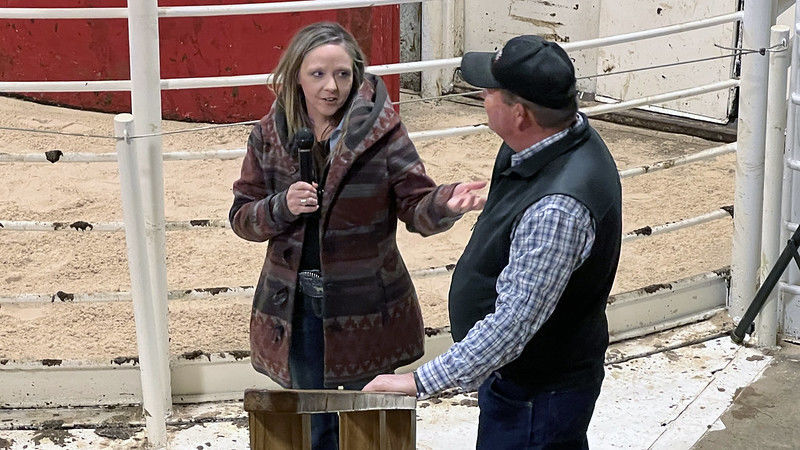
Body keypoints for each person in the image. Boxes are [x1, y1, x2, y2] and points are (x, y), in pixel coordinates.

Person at [228, 22, 485, 450]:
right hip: (296, 312)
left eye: (343, 74)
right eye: (318, 74)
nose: (332, 87)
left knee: (372, 426)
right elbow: (241, 217)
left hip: (366, 310)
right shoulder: (269, 134)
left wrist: (445, 204)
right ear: (295, 74)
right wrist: (281, 207)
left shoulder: (383, 132)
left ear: (357, 74)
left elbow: (415, 205)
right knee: (314, 424)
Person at [364, 35, 622, 449]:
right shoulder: (550, 141)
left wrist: (418, 381)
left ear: (518, 113)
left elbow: (512, 326)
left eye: (489, 91)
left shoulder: (557, 209)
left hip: (536, 396)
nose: (482, 95)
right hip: (519, 380)